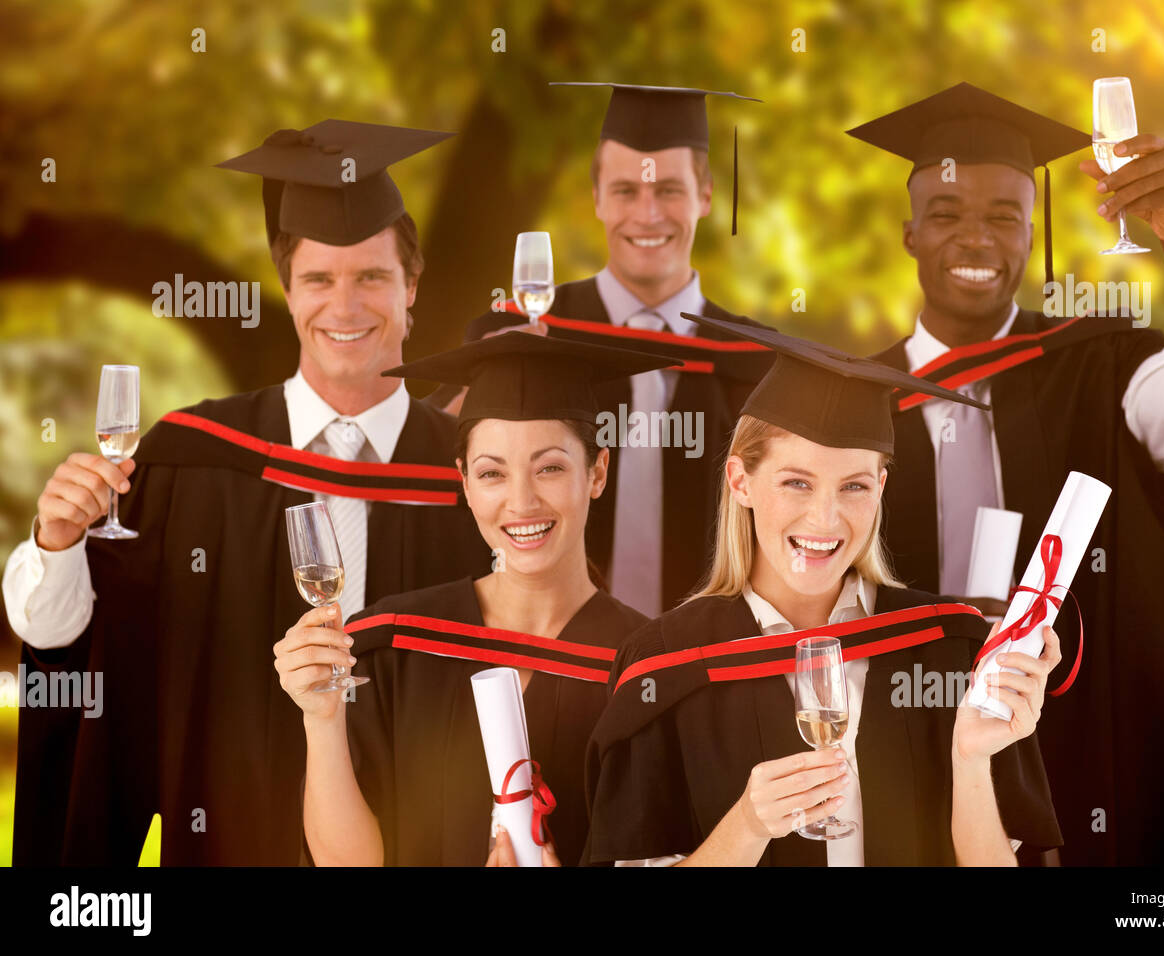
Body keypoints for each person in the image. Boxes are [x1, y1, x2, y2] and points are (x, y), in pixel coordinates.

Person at [2, 119, 490, 865]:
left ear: (411, 286)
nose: (346, 305)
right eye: (320, 280)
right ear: (288, 292)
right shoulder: (194, 461)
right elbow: (73, 645)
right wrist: (57, 547)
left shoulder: (474, 477)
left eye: (372, 277)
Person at [848, 82, 1164, 864]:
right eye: (947, 214)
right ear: (910, 232)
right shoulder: (850, 397)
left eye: (1004, 216)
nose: (974, 238)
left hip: (1078, 731)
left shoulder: (1102, 362)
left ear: (1033, 232)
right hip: (898, 736)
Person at [585, 316, 1063, 867]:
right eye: (797, 482)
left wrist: (971, 759)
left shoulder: (947, 647)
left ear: (880, 488)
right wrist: (747, 825)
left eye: (853, 486)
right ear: (740, 481)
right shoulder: (666, 665)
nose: (825, 517)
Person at [275, 332, 672, 865]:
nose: (521, 501)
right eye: (491, 473)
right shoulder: (394, 645)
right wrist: (320, 719)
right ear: (464, 483)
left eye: (550, 467)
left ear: (597, 471)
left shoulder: (649, 668)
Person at [438, 83, 773, 617]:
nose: (647, 214)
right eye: (625, 191)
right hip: (550, 652)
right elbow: (434, 473)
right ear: (595, 197)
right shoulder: (519, 335)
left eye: (668, 190)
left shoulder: (756, 360)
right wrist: (475, 389)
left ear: (705, 194)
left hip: (708, 659)